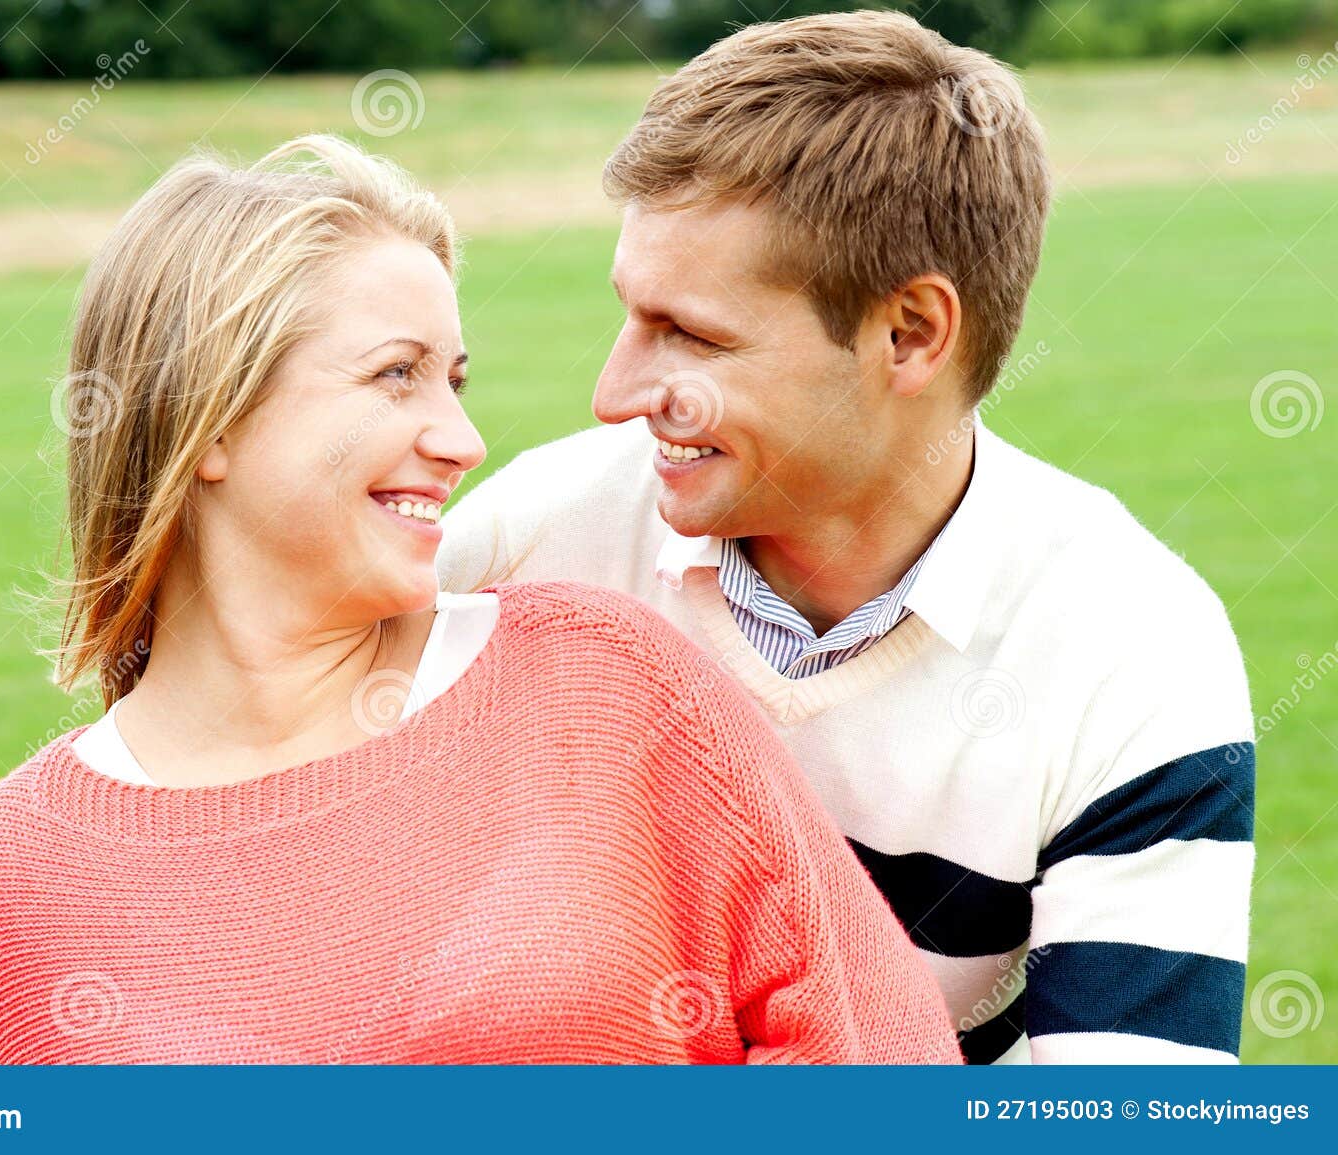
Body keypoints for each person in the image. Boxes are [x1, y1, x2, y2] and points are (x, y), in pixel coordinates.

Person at [0, 134, 961, 1066]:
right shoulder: (13, 882)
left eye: (453, 381)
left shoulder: (603, 684)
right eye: (395, 376)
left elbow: (879, 1052)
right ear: (209, 424)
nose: (460, 442)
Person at [437, 11, 1256, 1064]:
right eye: (631, 315)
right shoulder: (532, 537)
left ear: (910, 333)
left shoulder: (1136, 647)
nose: (613, 394)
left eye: (689, 333)